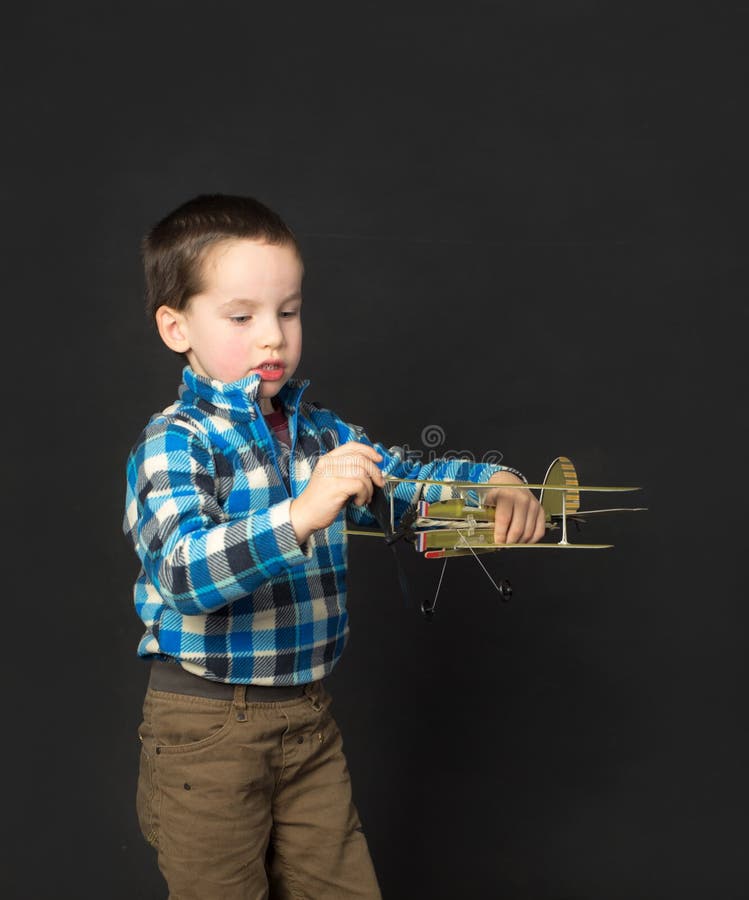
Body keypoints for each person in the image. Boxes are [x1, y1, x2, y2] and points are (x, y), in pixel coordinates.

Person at [123, 193, 546, 899]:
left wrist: (487, 482)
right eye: (241, 316)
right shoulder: (177, 440)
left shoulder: (321, 432)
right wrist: (302, 512)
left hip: (305, 717)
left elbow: (402, 481)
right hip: (204, 726)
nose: (272, 338)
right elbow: (182, 573)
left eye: (287, 312)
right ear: (175, 327)